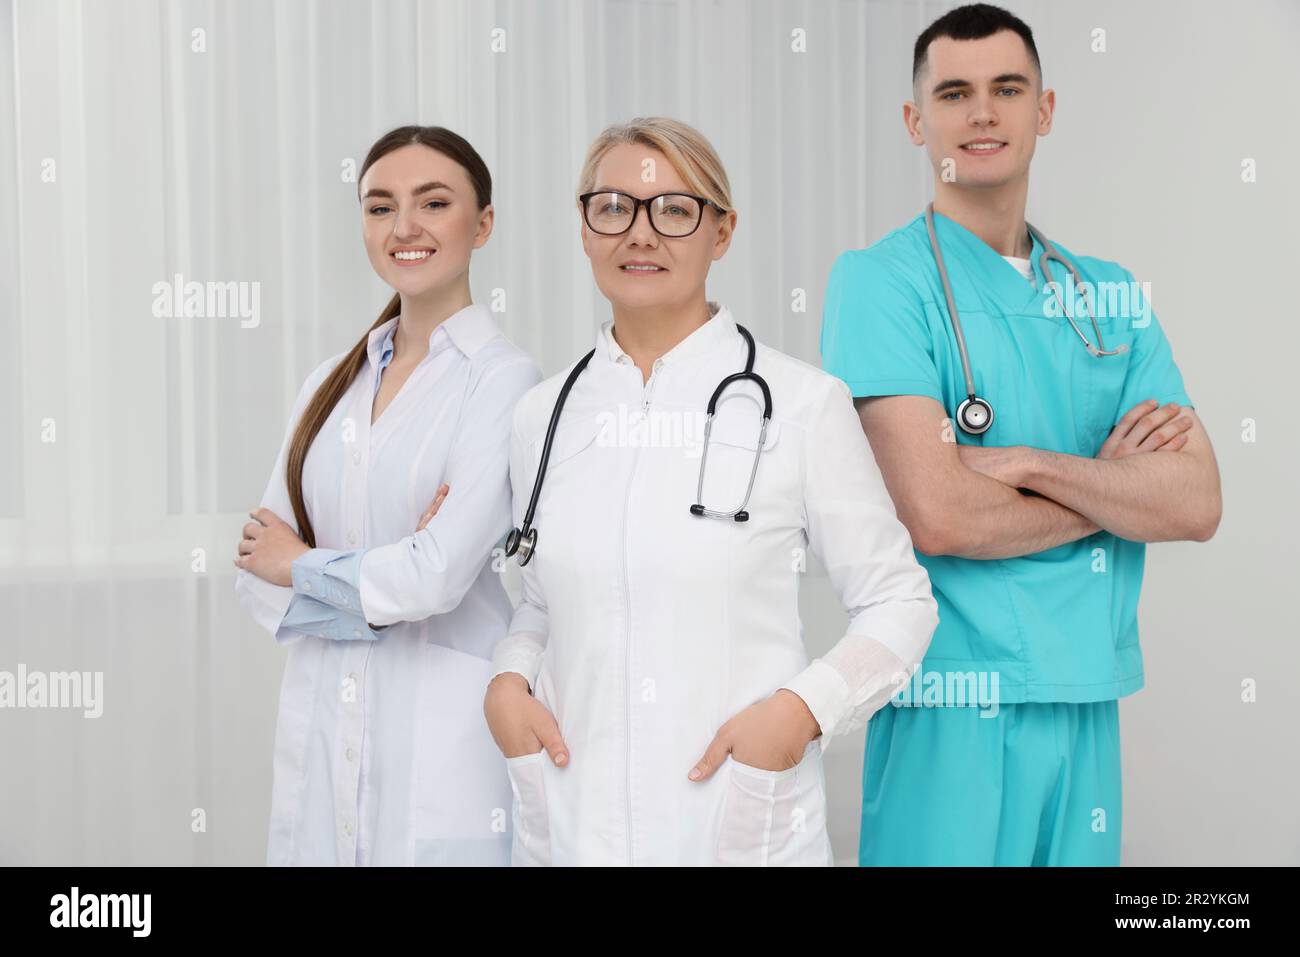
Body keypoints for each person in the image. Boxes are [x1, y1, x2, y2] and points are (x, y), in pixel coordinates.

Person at [820, 4, 1222, 866]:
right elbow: (941, 516)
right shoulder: (881, 285)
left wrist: (1035, 464)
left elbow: (1194, 500)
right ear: (915, 121)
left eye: (1008, 88)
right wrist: (1112, 491)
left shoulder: (1107, 296)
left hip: (1088, 694)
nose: (983, 113)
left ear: (1044, 110)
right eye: (955, 93)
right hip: (950, 703)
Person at [484, 117, 938, 866]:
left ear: (721, 232)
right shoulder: (544, 413)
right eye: (613, 207)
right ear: (585, 227)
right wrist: (507, 681)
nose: (640, 232)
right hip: (572, 822)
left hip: (735, 818)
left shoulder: (800, 404)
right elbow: (538, 598)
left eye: (673, 209)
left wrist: (800, 713)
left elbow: (900, 601)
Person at [234, 126, 540, 866]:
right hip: (323, 726)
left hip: (440, 746)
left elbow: (434, 577)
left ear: (483, 223)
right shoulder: (329, 385)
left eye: (433, 202)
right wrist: (384, 580)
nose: (404, 227)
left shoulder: (504, 381)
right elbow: (255, 573)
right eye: (380, 207)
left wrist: (307, 566)